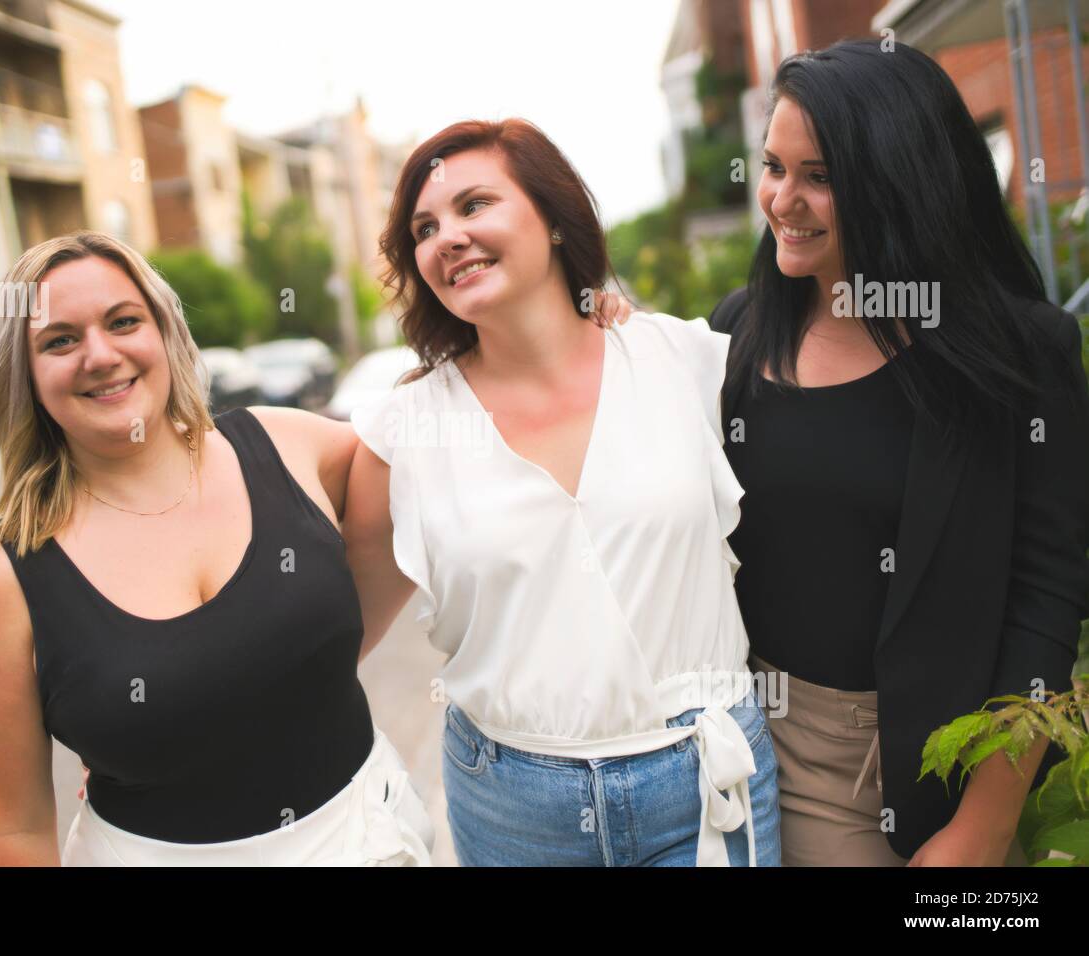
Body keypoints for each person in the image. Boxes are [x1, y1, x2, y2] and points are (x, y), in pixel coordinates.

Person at [343, 118, 782, 866]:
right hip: (513, 809)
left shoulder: (685, 361)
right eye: (425, 226)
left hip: (705, 779)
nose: (446, 236)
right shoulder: (405, 431)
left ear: (551, 218)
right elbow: (333, 634)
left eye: (474, 205)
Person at [706, 40, 1089, 865]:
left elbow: (1046, 596)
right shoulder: (734, 336)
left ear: (899, 182)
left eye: (821, 176)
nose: (783, 199)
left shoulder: (1021, 355)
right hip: (751, 739)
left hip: (930, 759)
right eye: (774, 167)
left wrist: (984, 827)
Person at [0, 231, 436, 866]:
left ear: (166, 333)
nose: (100, 354)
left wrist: (589, 319)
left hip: (366, 839)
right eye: (60, 339)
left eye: (124, 321)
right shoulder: (1, 575)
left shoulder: (287, 446)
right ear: (27, 375)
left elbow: (430, 429)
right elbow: (13, 825)